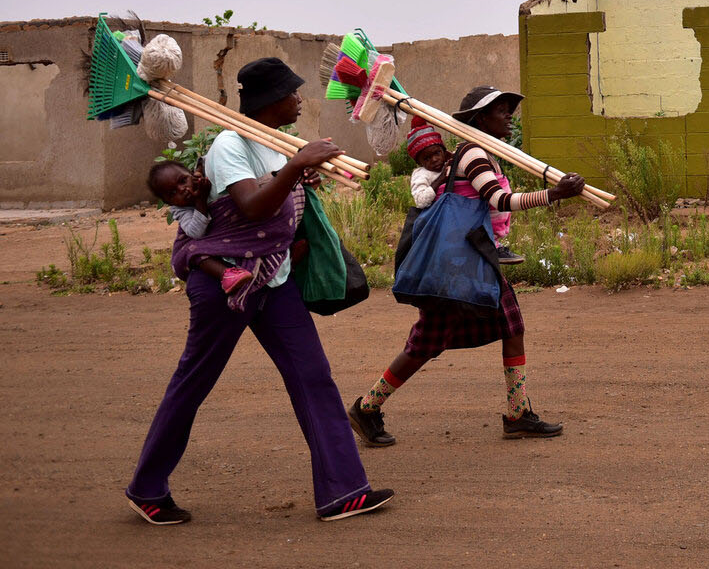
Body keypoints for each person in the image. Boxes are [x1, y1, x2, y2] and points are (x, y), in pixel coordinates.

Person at [126, 57, 393, 525]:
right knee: (194, 382)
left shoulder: (276, 144)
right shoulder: (231, 144)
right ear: (272, 100)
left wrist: (299, 172)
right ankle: (147, 488)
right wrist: (295, 166)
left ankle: (343, 490)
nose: (299, 100)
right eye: (293, 93)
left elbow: (279, 198)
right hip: (224, 282)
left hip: (275, 277)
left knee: (314, 377)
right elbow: (249, 208)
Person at [349, 86, 586, 448]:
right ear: (479, 119)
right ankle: (367, 406)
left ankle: (518, 413)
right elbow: (500, 199)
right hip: (459, 265)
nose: (509, 115)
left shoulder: (479, 151)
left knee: (509, 326)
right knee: (426, 342)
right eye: (501, 110)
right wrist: (553, 194)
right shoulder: (474, 154)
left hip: (472, 259)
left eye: (509, 109)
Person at [407, 115, 523, 263]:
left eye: (437, 153)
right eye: (427, 158)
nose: (434, 159)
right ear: (418, 162)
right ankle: (490, 246)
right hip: (441, 222)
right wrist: (440, 180)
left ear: (443, 150)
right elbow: (421, 201)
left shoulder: (450, 164)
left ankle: (492, 244)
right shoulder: (421, 175)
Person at [145, 161, 252, 299]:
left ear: (191, 174)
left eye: (183, 180)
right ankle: (227, 274)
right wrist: (200, 200)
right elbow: (196, 232)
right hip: (187, 250)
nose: (182, 189)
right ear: (169, 202)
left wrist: (200, 170)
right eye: (173, 193)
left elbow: (210, 158)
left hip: (214, 241)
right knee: (195, 252)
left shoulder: (201, 179)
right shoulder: (179, 210)